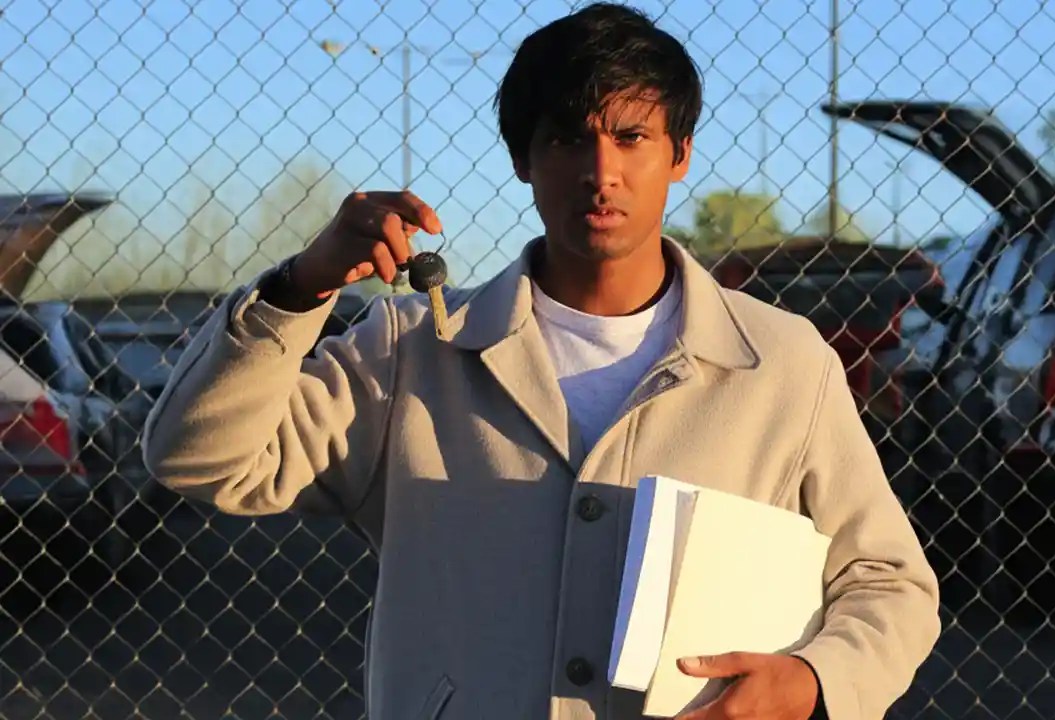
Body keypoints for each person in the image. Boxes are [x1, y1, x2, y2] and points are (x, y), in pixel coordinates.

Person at [142, 3, 941, 718]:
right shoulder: (409, 353)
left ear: (680, 154)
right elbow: (197, 458)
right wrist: (298, 288)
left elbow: (889, 583)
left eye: (632, 137)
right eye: (566, 138)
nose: (601, 172)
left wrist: (811, 682)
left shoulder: (780, 363)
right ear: (523, 158)